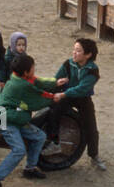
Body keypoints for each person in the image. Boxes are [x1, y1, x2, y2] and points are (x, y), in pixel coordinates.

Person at [0, 53, 60, 187]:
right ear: (26, 72)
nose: (34, 70)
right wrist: (53, 98)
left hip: (13, 116)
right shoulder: (22, 85)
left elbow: (38, 82)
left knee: (40, 137)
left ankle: (30, 168)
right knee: (19, 149)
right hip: (3, 118)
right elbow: (37, 98)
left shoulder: (17, 78)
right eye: (32, 68)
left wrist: (55, 82)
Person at [44, 37, 106, 171]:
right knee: (54, 111)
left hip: (82, 98)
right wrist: (56, 83)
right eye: (74, 50)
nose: (74, 53)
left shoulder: (92, 70)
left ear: (88, 55)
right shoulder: (68, 63)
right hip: (67, 95)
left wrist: (64, 94)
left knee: (91, 127)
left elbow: (82, 88)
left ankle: (94, 155)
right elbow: (56, 78)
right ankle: (55, 142)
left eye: (78, 51)